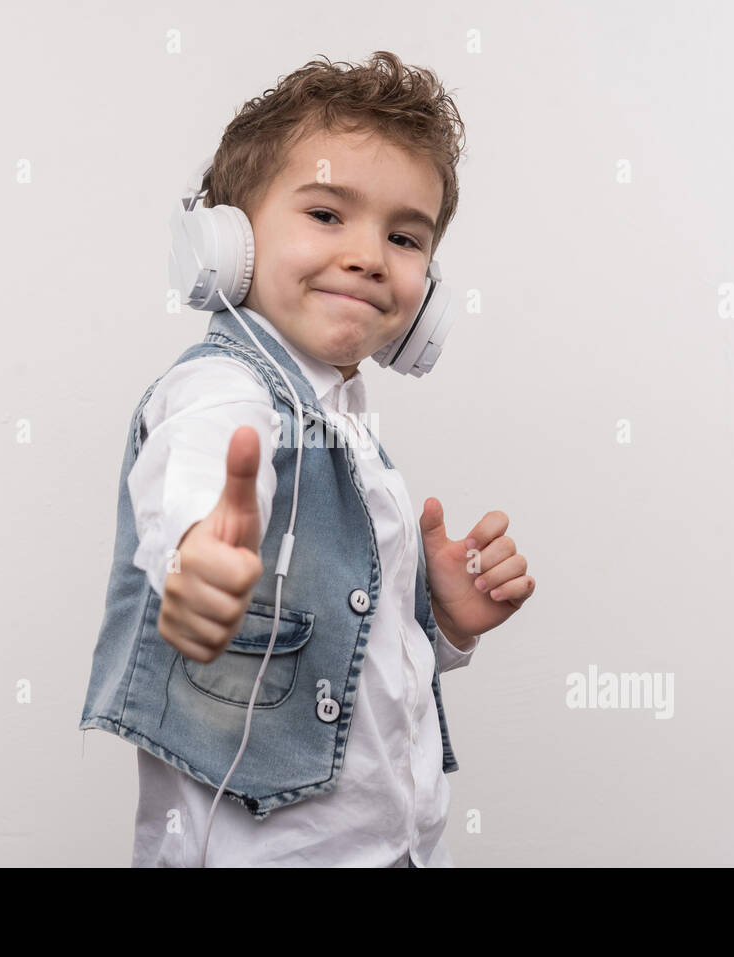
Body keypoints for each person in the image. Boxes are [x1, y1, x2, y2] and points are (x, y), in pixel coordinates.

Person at [79, 50, 535, 866]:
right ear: (227, 241)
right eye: (327, 215)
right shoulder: (221, 392)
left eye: (403, 236)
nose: (368, 254)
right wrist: (193, 564)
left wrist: (444, 625)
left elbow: (364, 653)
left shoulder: (350, 427)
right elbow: (193, 481)